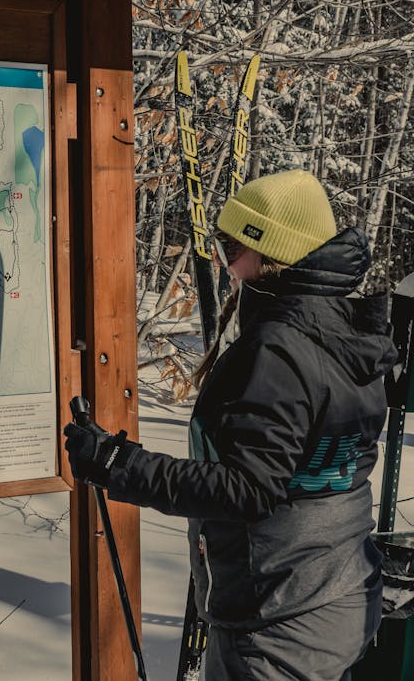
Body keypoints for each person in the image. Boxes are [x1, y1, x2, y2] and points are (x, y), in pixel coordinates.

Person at [65, 170, 395, 680]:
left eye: (230, 246)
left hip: (276, 622)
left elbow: (245, 489)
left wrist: (116, 462)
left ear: (269, 257)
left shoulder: (280, 350)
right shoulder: (346, 334)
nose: (224, 261)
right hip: (337, 596)